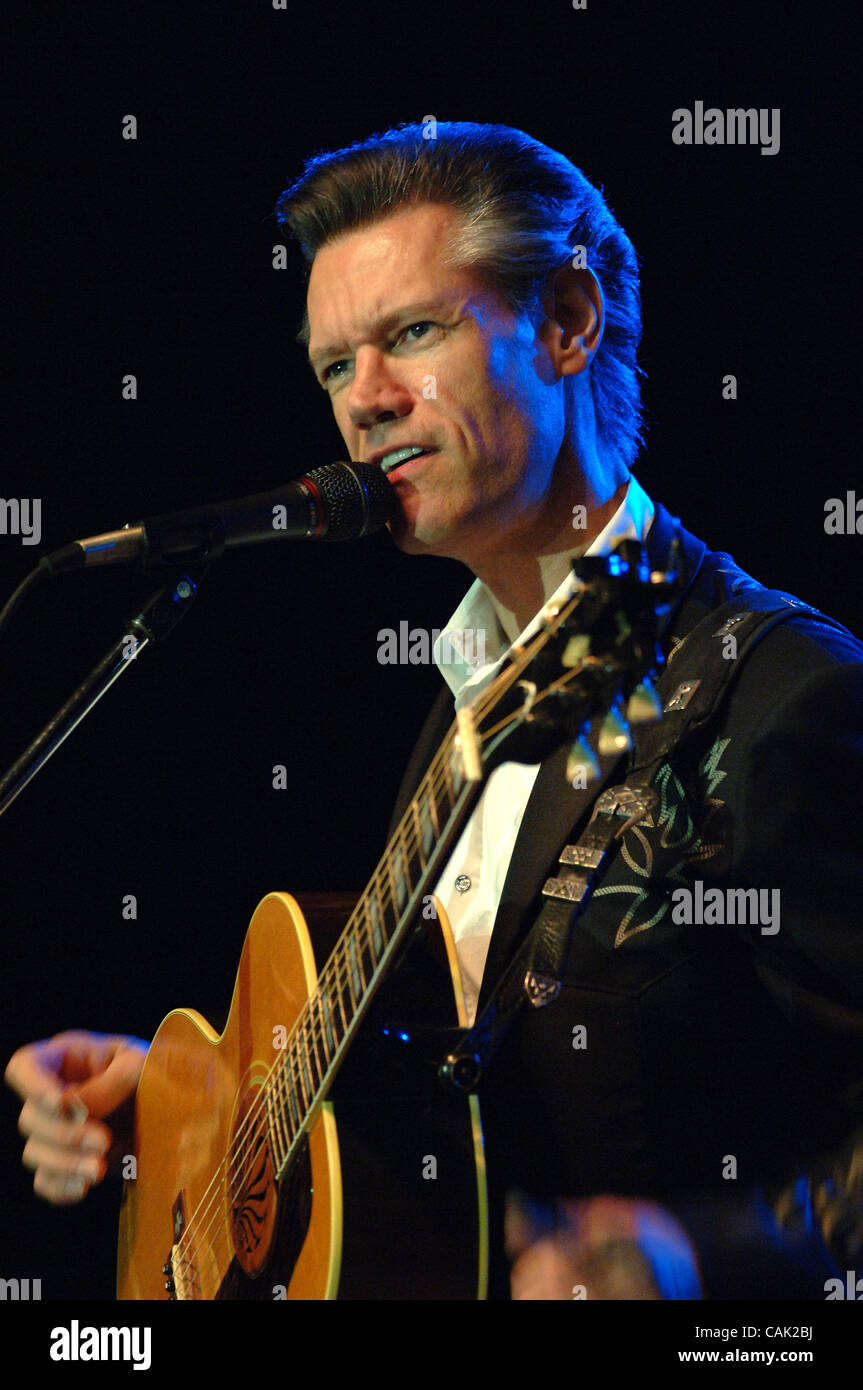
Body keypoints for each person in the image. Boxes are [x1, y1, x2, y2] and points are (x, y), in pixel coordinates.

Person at [6, 121, 863, 1301]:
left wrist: (692, 1260)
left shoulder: (780, 699)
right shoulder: (465, 700)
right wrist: (181, 1108)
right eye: (330, 367)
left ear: (566, 322)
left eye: (411, 333)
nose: (362, 402)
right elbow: (435, 1097)